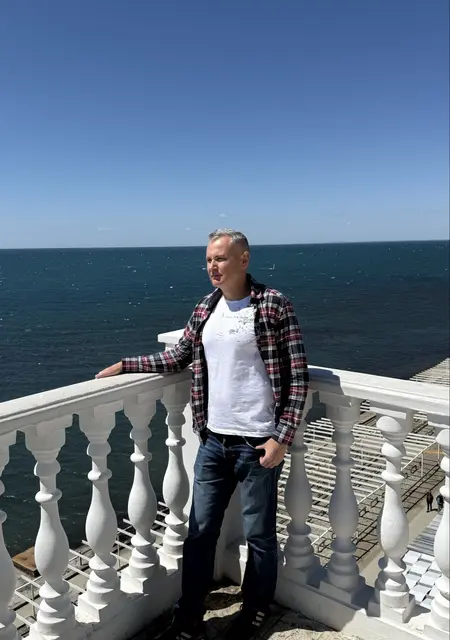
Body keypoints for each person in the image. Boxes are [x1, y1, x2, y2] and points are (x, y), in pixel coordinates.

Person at [96, 229, 309, 640]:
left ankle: (254, 611)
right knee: (198, 534)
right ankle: (189, 618)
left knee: (260, 536)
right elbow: (178, 356)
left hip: (258, 443)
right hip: (213, 441)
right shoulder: (206, 307)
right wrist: (127, 364)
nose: (213, 266)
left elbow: (297, 376)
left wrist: (281, 438)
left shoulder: (273, 305)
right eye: (209, 259)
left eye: (221, 258)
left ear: (244, 260)